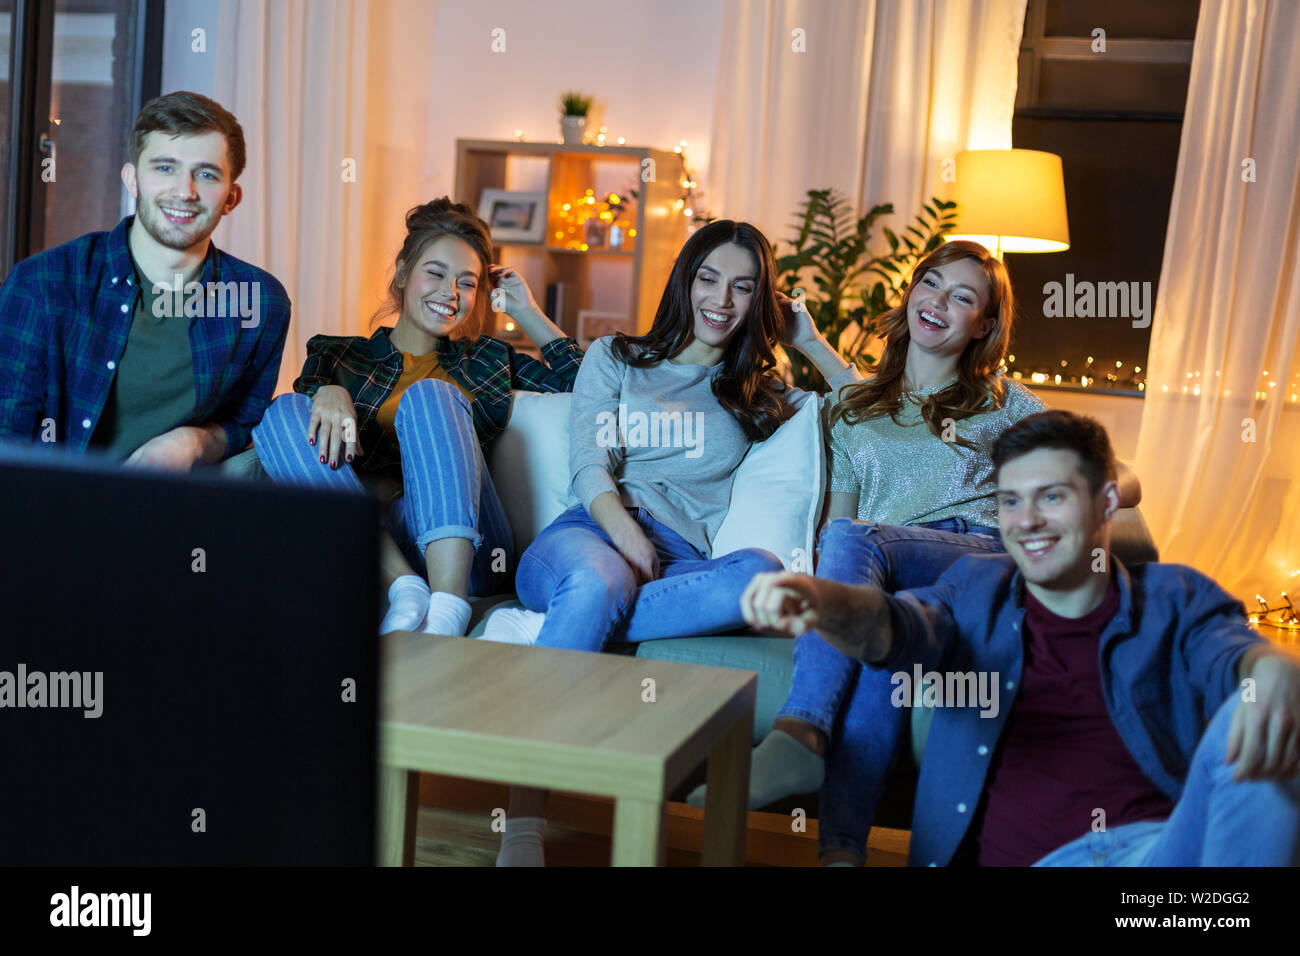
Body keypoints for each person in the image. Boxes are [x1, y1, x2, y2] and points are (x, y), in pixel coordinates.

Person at [742, 410, 1300, 866]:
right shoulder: (974, 589)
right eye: (1010, 501)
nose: (1026, 520)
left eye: (1051, 497)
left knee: (1262, 712)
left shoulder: (1174, 597)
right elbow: (897, 627)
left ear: (1107, 502)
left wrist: (1271, 669)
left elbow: (1230, 653)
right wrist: (822, 600)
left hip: (1154, 862)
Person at [488, 219, 862, 866]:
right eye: (708, 278)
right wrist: (625, 532)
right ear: (685, 281)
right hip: (591, 533)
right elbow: (589, 463)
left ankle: (565, 624)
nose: (722, 299)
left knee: (761, 572)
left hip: (681, 563)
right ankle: (522, 826)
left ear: (759, 299)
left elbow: (868, 414)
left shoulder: (758, 392)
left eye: (743, 287)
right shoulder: (616, 357)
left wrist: (810, 341)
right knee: (598, 579)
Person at [687, 240, 1044, 867]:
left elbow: (1089, 472)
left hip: (982, 562)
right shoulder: (855, 410)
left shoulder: (1007, 403)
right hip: (901, 582)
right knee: (878, 635)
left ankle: (799, 730)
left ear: (983, 325)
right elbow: (837, 525)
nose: (938, 302)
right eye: (930, 283)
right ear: (911, 293)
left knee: (853, 540)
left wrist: (1106, 484)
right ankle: (841, 852)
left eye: (962, 297)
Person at [252, 198, 582, 637]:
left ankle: (447, 610)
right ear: (404, 272)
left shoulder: (488, 359)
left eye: (467, 283)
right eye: (436, 273)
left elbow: (589, 385)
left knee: (429, 396)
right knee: (281, 411)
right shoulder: (338, 354)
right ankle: (403, 586)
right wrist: (326, 390)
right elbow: (298, 422)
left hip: (474, 552)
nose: (451, 292)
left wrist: (526, 311)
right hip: (375, 537)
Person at [0, 91, 290, 468]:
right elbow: (7, 436)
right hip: (50, 497)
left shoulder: (259, 301)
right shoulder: (42, 285)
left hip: (174, 500)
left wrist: (194, 441)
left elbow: (246, 419)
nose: (184, 192)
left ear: (231, 198)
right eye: (165, 168)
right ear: (132, 180)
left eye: (206, 174)